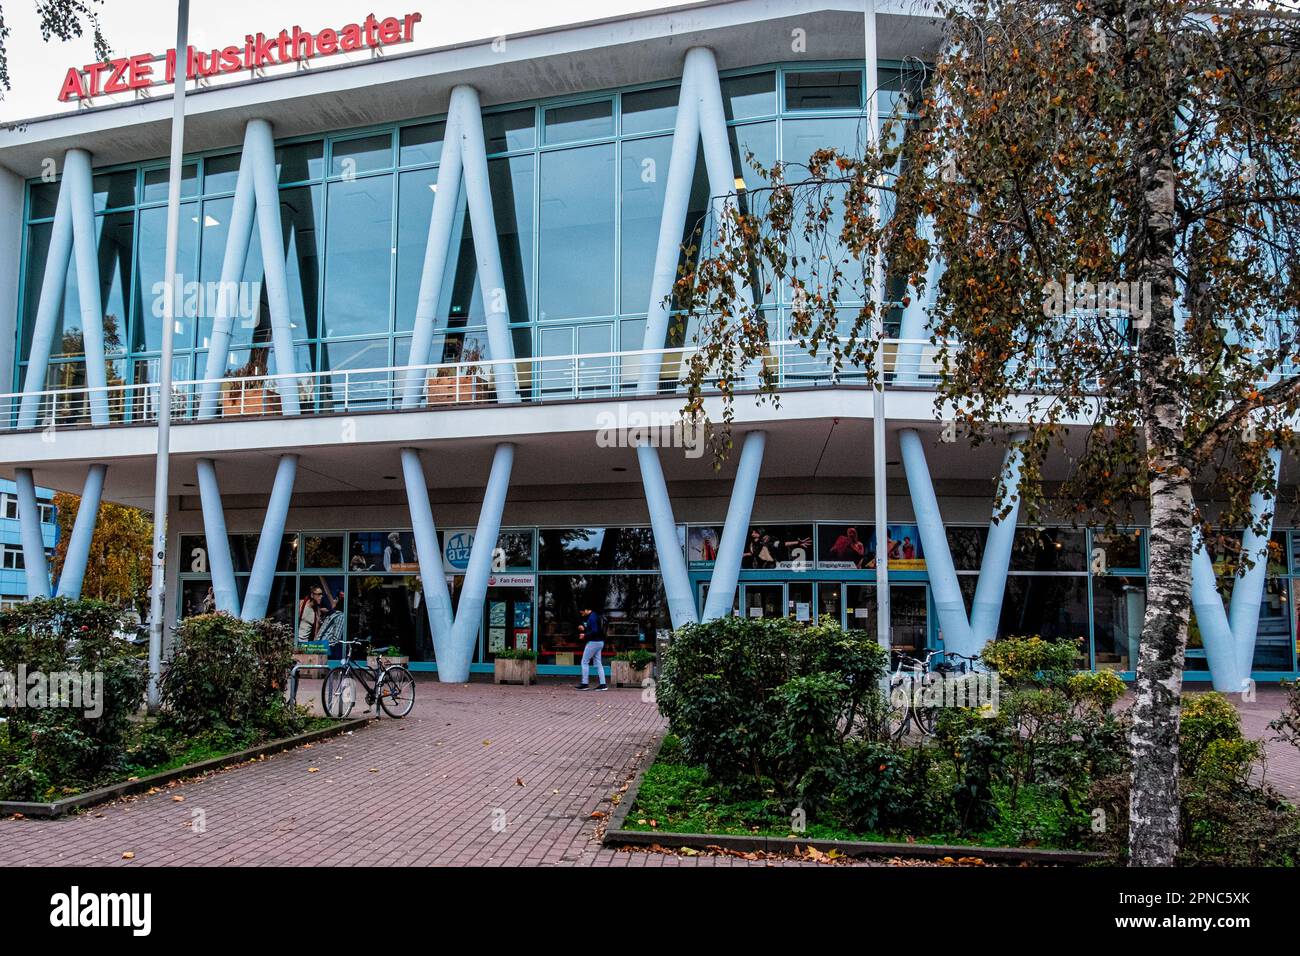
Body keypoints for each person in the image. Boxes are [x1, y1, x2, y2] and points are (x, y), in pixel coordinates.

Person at [575, 605, 607, 691]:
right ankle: (603, 684)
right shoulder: (595, 616)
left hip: (594, 642)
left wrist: (585, 635)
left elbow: (595, 631)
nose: (581, 613)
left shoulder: (592, 618)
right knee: (598, 663)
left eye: (582, 611)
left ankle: (585, 683)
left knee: (584, 661)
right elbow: (595, 630)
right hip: (600, 642)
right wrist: (585, 629)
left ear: (586, 609)